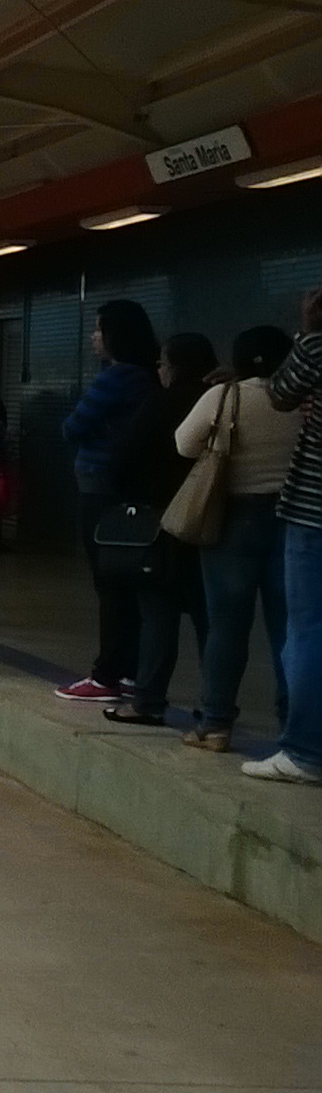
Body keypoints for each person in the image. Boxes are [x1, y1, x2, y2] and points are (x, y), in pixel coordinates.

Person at [180, 326, 297, 752]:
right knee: (290, 630)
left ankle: (216, 724)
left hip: (232, 520)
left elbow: (184, 444)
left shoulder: (225, 397)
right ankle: (293, 729)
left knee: (226, 627)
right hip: (292, 520)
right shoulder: (303, 400)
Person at [105, 332, 219, 727]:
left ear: (174, 367)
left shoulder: (161, 402)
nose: (159, 371)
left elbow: (121, 457)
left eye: (163, 365)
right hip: (215, 522)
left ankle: (148, 700)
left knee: (157, 614)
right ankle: (215, 708)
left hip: (163, 523)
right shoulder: (223, 400)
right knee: (212, 618)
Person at [57, 300, 162, 703]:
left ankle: (107, 675)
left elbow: (73, 427)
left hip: (100, 488)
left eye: (100, 330)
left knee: (109, 582)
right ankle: (131, 670)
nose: (94, 337)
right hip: (129, 488)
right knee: (129, 581)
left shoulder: (117, 378)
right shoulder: (148, 377)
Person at [249, 289, 322, 785]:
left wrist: (309, 331)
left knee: (307, 633)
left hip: (313, 514)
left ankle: (304, 750)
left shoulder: (318, 347)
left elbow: (279, 393)